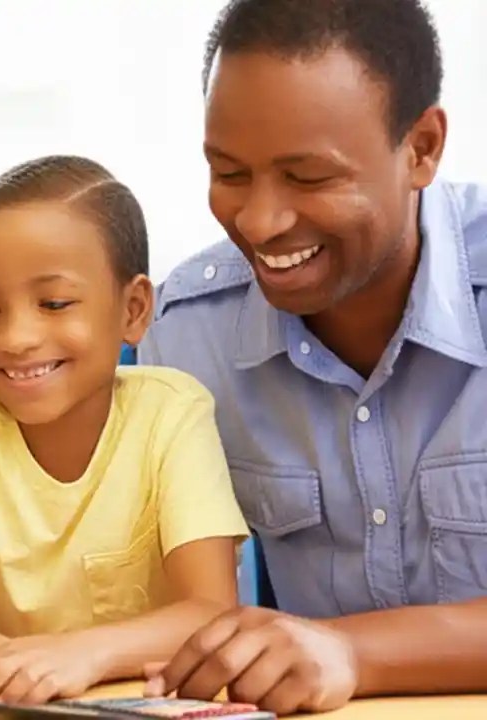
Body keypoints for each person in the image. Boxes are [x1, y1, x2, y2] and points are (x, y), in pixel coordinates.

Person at [139, 0, 487, 714]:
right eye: (229, 173)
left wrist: (356, 653)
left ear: (421, 148)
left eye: (308, 178)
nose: (260, 222)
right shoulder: (187, 337)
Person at [0, 155, 251, 706]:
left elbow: (213, 611)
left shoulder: (172, 413)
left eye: (54, 303)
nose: (16, 337)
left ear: (133, 309)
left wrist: (81, 655)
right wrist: (2, 663)